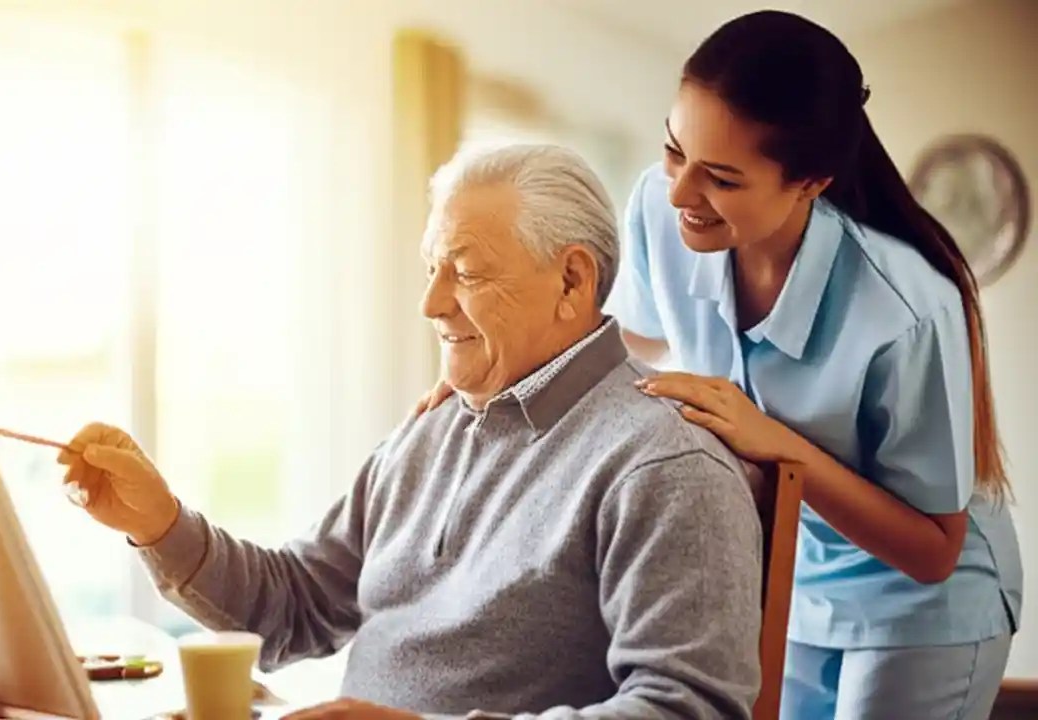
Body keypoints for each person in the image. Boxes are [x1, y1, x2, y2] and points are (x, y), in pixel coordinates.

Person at [413, 10, 1024, 720]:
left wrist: (774, 442)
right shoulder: (659, 211)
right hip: (795, 583)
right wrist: (499, 366)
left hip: (925, 606)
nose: (679, 193)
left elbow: (933, 551)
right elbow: (625, 337)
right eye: (675, 152)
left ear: (810, 183)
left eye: (722, 179)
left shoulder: (908, 308)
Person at [60, 144, 764, 719]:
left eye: (464, 272)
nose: (430, 303)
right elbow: (294, 606)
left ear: (572, 283)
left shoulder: (666, 461)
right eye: (431, 269)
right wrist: (159, 522)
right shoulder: (428, 432)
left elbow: (685, 711)